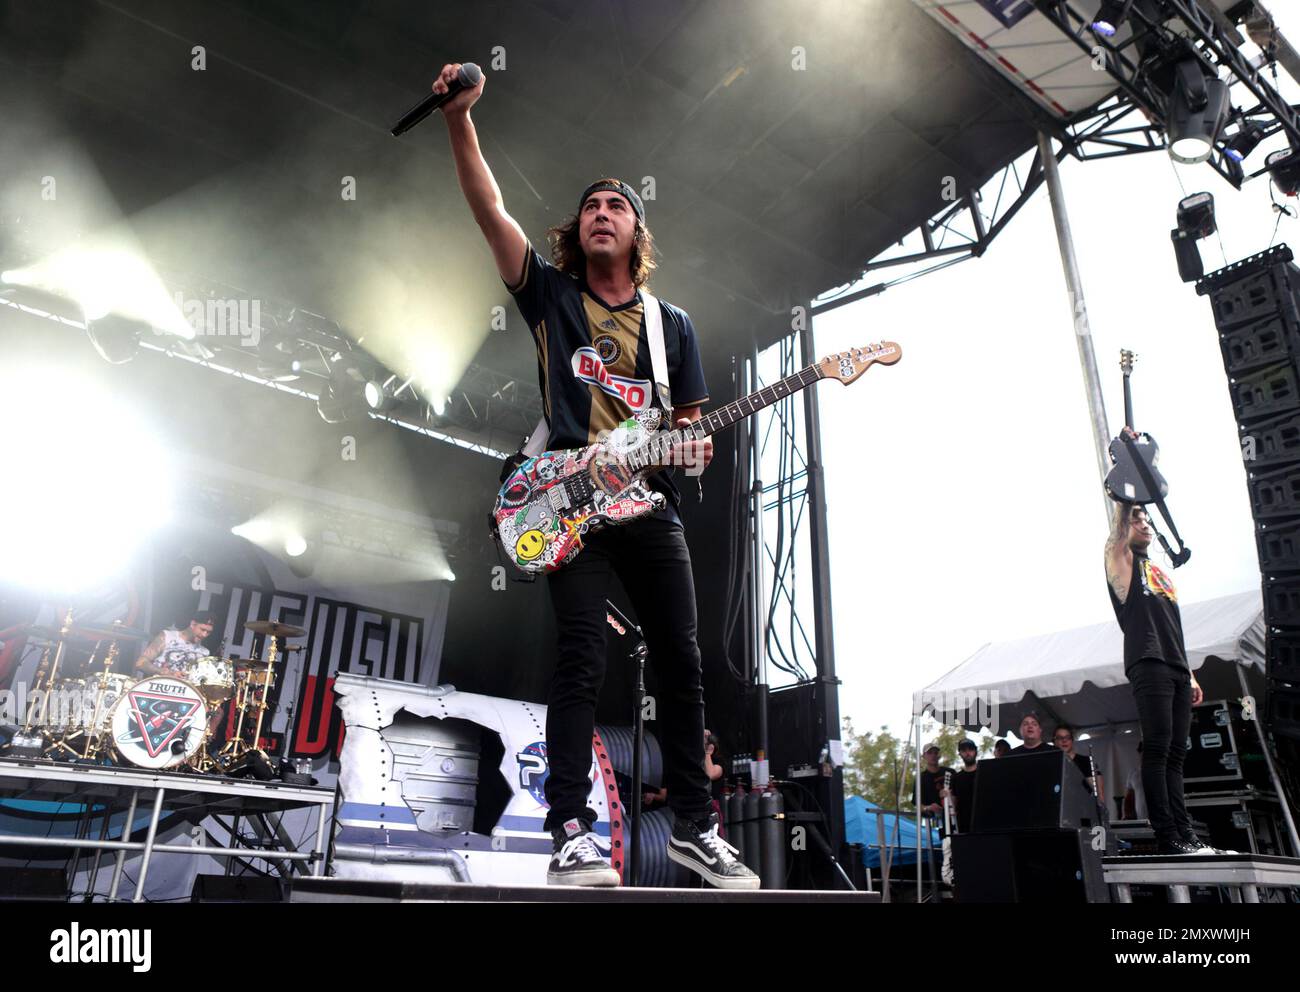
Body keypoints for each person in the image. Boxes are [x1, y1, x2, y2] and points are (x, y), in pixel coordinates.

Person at [435, 62, 757, 889]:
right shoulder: (550, 296)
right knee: (581, 656)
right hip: (571, 501)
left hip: (648, 506)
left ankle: (694, 824)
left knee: (684, 663)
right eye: (590, 207)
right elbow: (488, 209)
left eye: (618, 206)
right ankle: (571, 830)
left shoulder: (671, 324)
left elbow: (687, 428)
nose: (602, 213)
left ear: (637, 234)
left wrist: (695, 447)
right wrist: (459, 119)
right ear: (576, 234)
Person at [1106, 497, 1211, 855]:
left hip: (1177, 665)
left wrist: (1190, 672)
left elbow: (1172, 626)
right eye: (1138, 520)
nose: (1146, 524)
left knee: (1177, 755)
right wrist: (1129, 487)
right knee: (1157, 748)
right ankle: (1168, 836)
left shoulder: (1160, 570)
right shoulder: (1121, 561)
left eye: (1148, 519)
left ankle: (1187, 835)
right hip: (1147, 661)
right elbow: (1117, 530)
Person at [134, 611, 215, 677]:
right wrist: (166, 673)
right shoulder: (167, 636)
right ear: (193, 624)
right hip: (156, 690)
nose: (204, 635)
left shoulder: (204, 652)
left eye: (208, 632)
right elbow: (140, 663)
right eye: (202, 629)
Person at [1053, 724, 1103, 800]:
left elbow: (1099, 793)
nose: (1064, 740)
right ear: (1054, 742)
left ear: (1072, 741)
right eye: (1060, 738)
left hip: (1082, 807)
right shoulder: (1052, 763)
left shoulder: (1086, 762)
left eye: (1068, 737)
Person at [951, 738, 978, 834]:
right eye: (964, 750)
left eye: (970, 749)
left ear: (976, 751)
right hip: (963, 827)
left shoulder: (985, 773)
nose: (967, 753)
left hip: (984, 825)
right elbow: (953, 804)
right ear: (960, 754)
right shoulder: (956, 778)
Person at [1123, 741, 1148, 821]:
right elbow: (1128, 796)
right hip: (1141, 817)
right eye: (1142, 752)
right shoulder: (1133, 773)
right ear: (1139, 753)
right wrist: (1126, 814)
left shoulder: (1159, 773)